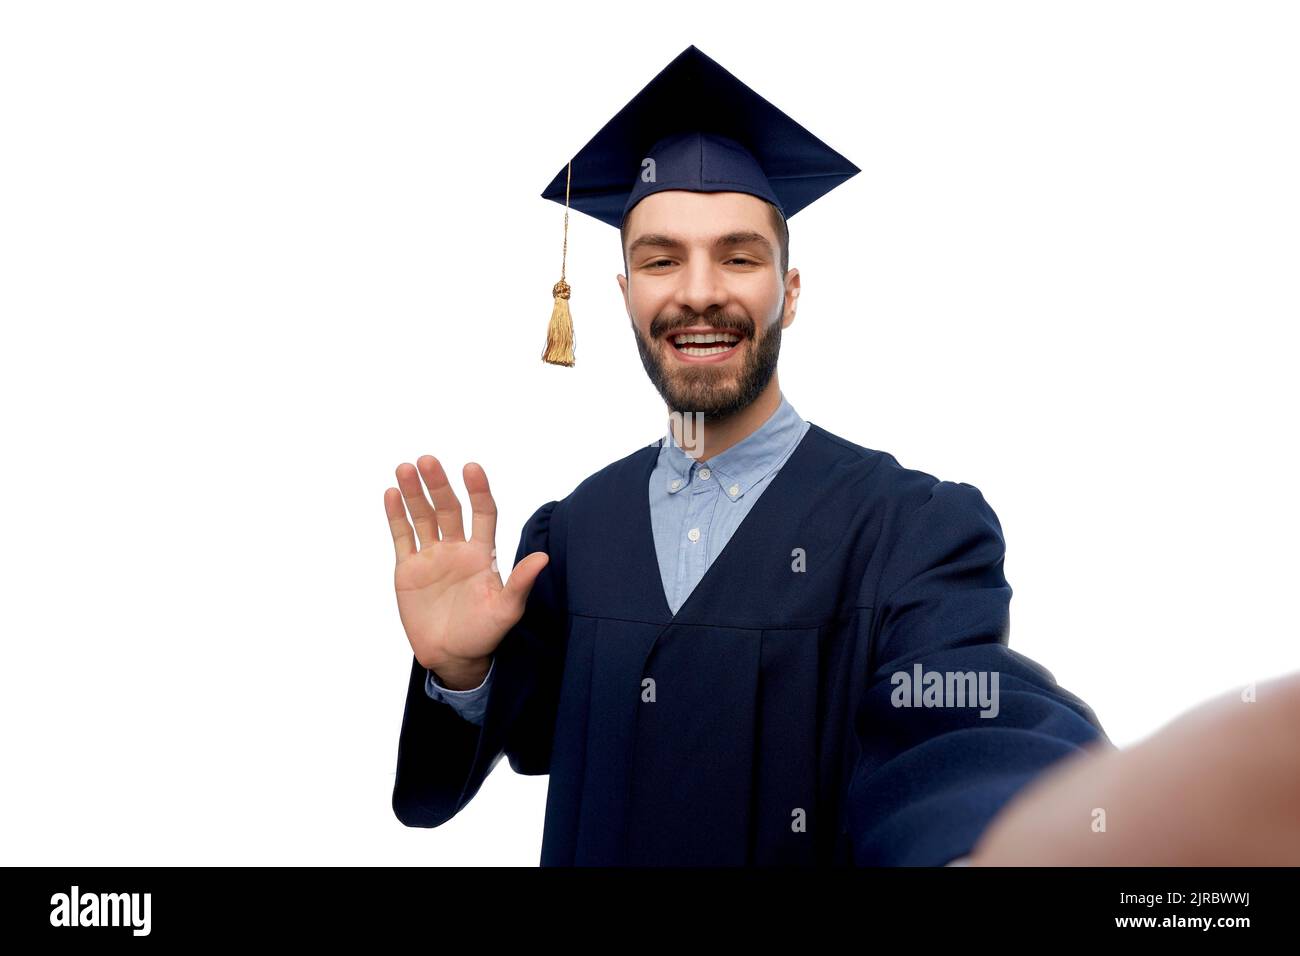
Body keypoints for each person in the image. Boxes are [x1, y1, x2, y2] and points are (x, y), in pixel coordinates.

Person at [384, 45, 1110, 865]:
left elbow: (966, 715)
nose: (698, 291)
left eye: (738, 255)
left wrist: (1018, 832)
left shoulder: (909, 529)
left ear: (788, 293)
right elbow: (526, 745)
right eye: (661, 260)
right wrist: (461, 674)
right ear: (626, 292)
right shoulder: (577, 533)